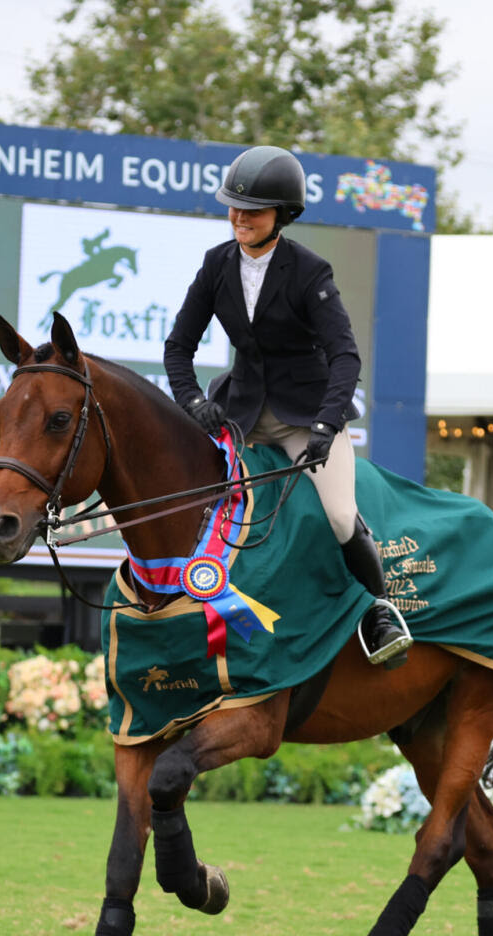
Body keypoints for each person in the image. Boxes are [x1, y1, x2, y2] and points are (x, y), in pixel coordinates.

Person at [163, 145, 412, 668]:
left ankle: (381, 611)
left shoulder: (308, 270)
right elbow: (178, 346)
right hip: (241, 415)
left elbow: (345, 354)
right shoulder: (217, 264)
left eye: (251, 210)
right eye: (234, 207)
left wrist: (326, 424)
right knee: (201, 505)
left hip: (304, 416)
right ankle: (183, 606)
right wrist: (190, 401)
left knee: (341, 514)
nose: (239, 217)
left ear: (283, 215)